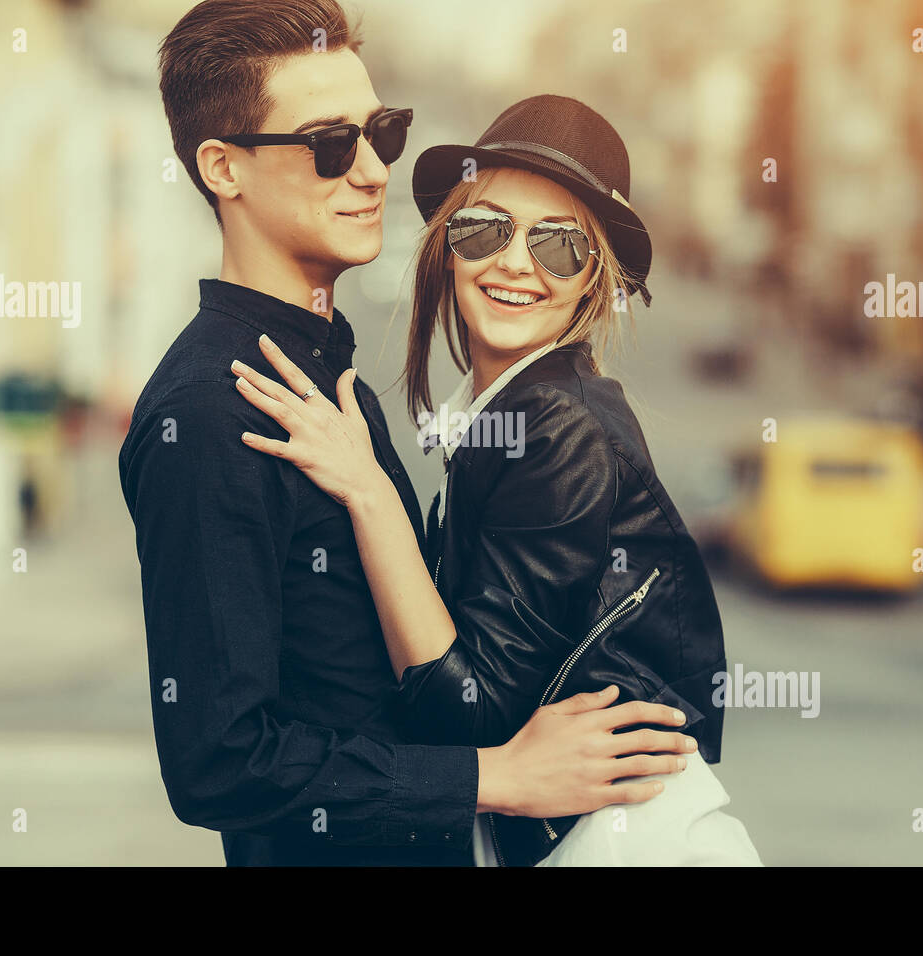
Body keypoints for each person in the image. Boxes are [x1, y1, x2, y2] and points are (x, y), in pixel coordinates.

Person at [119, 0, 693, 867]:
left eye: (380, 133)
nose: (372, 171)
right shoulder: (210, 412)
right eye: (329, 144)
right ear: (223, 167)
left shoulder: (333, 384)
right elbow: (218, 762)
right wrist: (491, 778)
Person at [232, 94, 762, 865]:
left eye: (560, 247)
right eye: (486, 229)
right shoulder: (503, 420)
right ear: (447, 246)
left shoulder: (557, 427)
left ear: (592, 281)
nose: (517, 263)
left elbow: (470, 713)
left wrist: (368, 489)